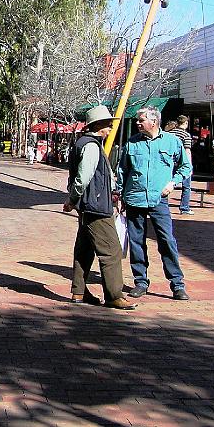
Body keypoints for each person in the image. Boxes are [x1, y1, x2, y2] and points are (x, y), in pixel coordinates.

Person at [64, 105, 135, 311]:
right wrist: (72, 199)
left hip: (88, 206)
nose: (111, 128)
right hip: (95, 207)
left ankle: (78, 291)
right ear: (99, 126)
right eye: (108, 124)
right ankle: (114, 295)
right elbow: (83, 178)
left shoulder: (84, 143)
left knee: (84, 249)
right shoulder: (92, 146)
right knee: (111, 251)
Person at [117, 106, 191, 300]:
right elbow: (122, 171)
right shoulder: (132, 143)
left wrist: (173, 183)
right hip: (134, 198)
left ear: (154, 121)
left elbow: (186, 167)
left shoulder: (172, 142)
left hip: (159, 200)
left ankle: (177, 284)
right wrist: (119, 194)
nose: (138, 123)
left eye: (141, 120)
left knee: (167, 240)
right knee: (136, 242)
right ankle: (140, 281)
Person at [170, 115, 194, 216]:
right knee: (186, 186)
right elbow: (187, 151)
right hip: (181, 162)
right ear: (186, 123)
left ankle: (158, 205)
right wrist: (189, 166)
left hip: (169, 162)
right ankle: (184, 208)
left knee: (164, 183)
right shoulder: (186, 135)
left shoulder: (169, 133)